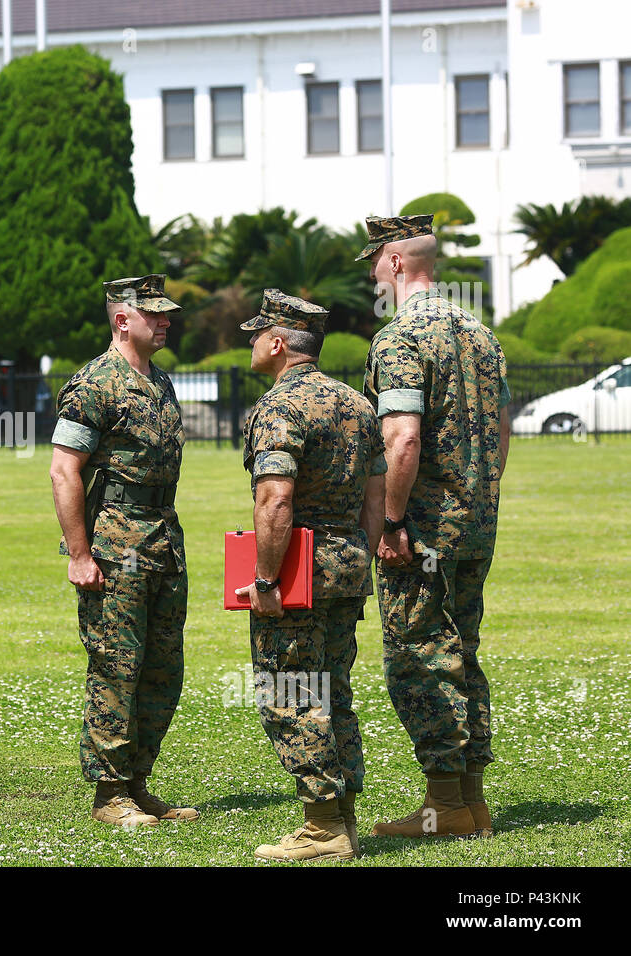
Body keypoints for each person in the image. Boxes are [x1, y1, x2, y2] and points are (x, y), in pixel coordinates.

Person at [357, 215, 511, 839]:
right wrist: (482, 493)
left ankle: (444, 805)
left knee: (418, 653)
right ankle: (470, 801)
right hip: (477, 521)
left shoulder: (400, 341)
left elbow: (403, 439)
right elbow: (501, 432)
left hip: (420, 529)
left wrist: (391, 522)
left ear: (395, 262)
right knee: (463, 648)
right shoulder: (481, 335)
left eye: (374, 261)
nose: (371, 273)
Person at [235, 289, 386, 862]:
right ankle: (343, 814)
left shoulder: (280, 408)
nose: (250, 344)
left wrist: (268, 581)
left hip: (299, 571)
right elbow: (376, 495)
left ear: (278, 343)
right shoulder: (357, 405)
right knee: (334, 690)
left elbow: (275, 500)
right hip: (347, 563)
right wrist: (359, 557)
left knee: (291, 690)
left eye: (256, 335)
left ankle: (322, 827)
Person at [48, 274, 195, 828]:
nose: (164, 322)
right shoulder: (94, 384)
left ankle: (137, 781)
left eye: (166, 314)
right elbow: (65, 469)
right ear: (121, 320)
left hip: (162, 536)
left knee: (163, 667)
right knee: (117, 663)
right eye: (153, 314)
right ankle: (109, 793)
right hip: (114, 537)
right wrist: (80, 554)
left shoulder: (160, 381)